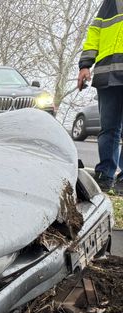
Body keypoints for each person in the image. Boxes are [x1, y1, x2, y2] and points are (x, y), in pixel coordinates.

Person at [79, 1, 123, 193]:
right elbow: (95, 32)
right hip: (107, 74)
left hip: (109, 74)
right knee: (108, 129)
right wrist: (85, 65)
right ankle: (105, 175)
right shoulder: (111, 3)